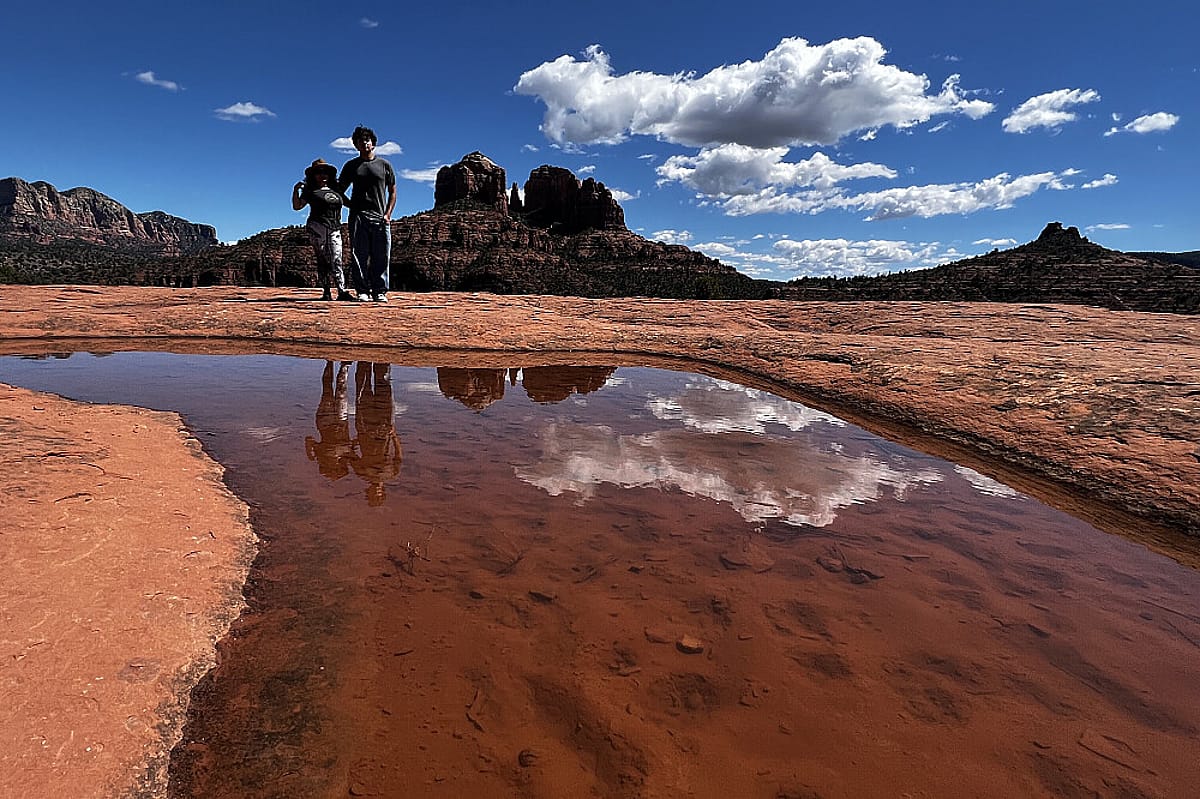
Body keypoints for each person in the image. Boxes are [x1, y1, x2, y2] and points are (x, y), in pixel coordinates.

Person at [337, 126, 397, 302]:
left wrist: (387, 215)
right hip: (358, 217)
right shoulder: (351, 166)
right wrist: (351, 206)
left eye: (367, 140)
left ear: (373, 143)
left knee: (382, 254)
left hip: (380, 217)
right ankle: (362, 290)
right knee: (359, 254)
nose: (364, 143)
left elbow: (392, 192)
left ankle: (380, 291)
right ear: (355, 145)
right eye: (360, 141)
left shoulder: (384, 165)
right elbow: (339, 190)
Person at [292, 159, 352, 301]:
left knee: (337, 258)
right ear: (313, 175)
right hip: (317, 227)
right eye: (318, 172)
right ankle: (326, 291)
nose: (322, 175)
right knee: (323, 260)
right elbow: (297, 206)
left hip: (335, 227)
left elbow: (349, 203)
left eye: (325, 172)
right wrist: (296, 190)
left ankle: (341, 290)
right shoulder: (311, 191)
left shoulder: (336, 190)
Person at [349, 362, 403, 505]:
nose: (376, 491)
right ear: (382, 492)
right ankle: (382, 362)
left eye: (374, 495)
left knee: (363, 389)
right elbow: (398, 457)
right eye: (378, 495)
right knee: (384, 389)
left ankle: (364, 361)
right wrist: (394, 436)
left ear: (369, 492)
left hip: (365, 429)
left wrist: (357, 441)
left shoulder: (362, 473)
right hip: (384, 431)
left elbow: (351, 456)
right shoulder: (392, 474)